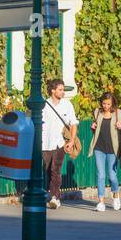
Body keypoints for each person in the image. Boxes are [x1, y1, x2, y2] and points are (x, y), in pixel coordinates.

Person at [40, 78, 77, 209]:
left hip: (60, 143)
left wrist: (72, 140)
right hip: (45, 143)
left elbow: (73, 123)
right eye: (60, 90)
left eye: (63, 89)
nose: (63, 92)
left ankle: (55, 197)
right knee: (48, 170)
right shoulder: (43, 104)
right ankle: (51, 193)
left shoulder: (67, 105)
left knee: (56, 169)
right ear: (52, 90)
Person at [88, 92, 121, 212]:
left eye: (108, 104)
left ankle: (115, 195)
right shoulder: (97, 112)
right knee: (100, 174)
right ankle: (101, 202)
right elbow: (95, 129)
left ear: (112, 103)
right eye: (104, 103)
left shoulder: (117, 113)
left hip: (112, 148)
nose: (106, 106)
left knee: (112, 175)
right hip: (99, 147)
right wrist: (92, 126)